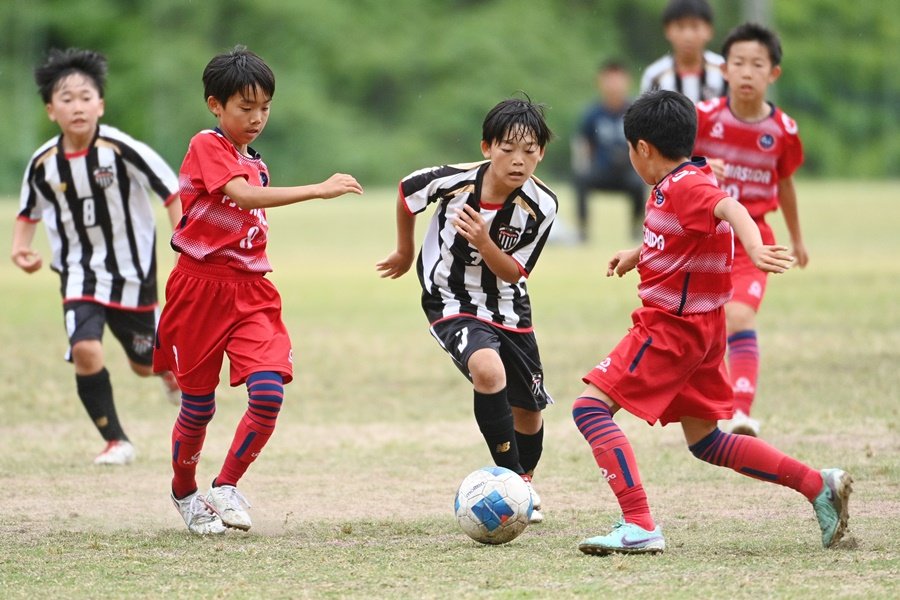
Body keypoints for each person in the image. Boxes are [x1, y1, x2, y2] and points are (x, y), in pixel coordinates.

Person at [571, 90, 851, 556]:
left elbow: (728, 207)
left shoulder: (687, 185)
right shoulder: (685, 176)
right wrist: (636, 254)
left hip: (669, 331)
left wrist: (755, 246)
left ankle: (638, 524)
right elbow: (683, 233)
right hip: (703, 333)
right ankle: (816, 485)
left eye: (628, 148)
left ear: (642, 148)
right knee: (707, 442)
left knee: (588, 409)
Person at [153, 46, 363, 535]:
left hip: (251, 292)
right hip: (198, 290)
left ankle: (226, 485)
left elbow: (251, 199)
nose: (256, 118)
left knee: (268, 393)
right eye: (245, 108)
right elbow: (242, 196)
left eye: (264, 107)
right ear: (215, 105)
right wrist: (317, 188)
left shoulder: (257, 162)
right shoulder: (206, 144)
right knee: (198, 407)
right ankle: (185, 491)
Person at [377, 97, 556, 523]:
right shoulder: (452, 182)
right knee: (488, 370)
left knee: (529, 410)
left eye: (530, 151)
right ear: (486, 147)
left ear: (541, 154)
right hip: (449, 299)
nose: (518, 160)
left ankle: (524, 480)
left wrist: (484, 242)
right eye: (508, 148)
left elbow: (514, 273)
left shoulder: (542, 206)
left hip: (510, 306)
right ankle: (511, 482)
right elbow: (406, 193)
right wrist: (405, 252)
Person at [12, 47, 182, 466]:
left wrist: (184, 239)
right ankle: (116, 441)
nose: (77, 106)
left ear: (100, 105)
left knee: (144, 364)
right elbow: (27, 212)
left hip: (132, 273)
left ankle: (165, 370)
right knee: (85, 349)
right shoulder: (43, 163)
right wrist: (21, 248)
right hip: (77, 273)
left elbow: (172, 191)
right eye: (66, 99)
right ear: (51, 110)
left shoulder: (121, 148)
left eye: (86, 97)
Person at [694, 23, 806, 437]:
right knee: (703, 326)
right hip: (704, 236)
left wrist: (797, 238)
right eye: (738, 63)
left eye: (756, 64)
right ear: (724, 70)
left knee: (739, 316)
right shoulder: (703, 118)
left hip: (753, 238)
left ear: (773, 73)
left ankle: (741, 412)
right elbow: (671, 168)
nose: (746, 72)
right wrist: (702, 164)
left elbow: (787, 183)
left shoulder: (783, 131)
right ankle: (705, 404)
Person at [572, 61, 646, 242]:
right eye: (609, 80)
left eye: (617, 80)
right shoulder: (593, 113)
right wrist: (583, 165)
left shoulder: (636, 111)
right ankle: (582, 231)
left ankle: (637, 229)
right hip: (602, 169)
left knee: (639, 184)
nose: (613, 85)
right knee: (581, 179)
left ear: (627, 81)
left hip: (629, 171)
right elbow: (583, 142)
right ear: (600, 82)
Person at [640, 0, 727, 104]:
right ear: (667, 30)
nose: (688, 36)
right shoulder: (655, 76)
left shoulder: (725, 71)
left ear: (709, 30)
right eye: (680, 27)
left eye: (695, 27)